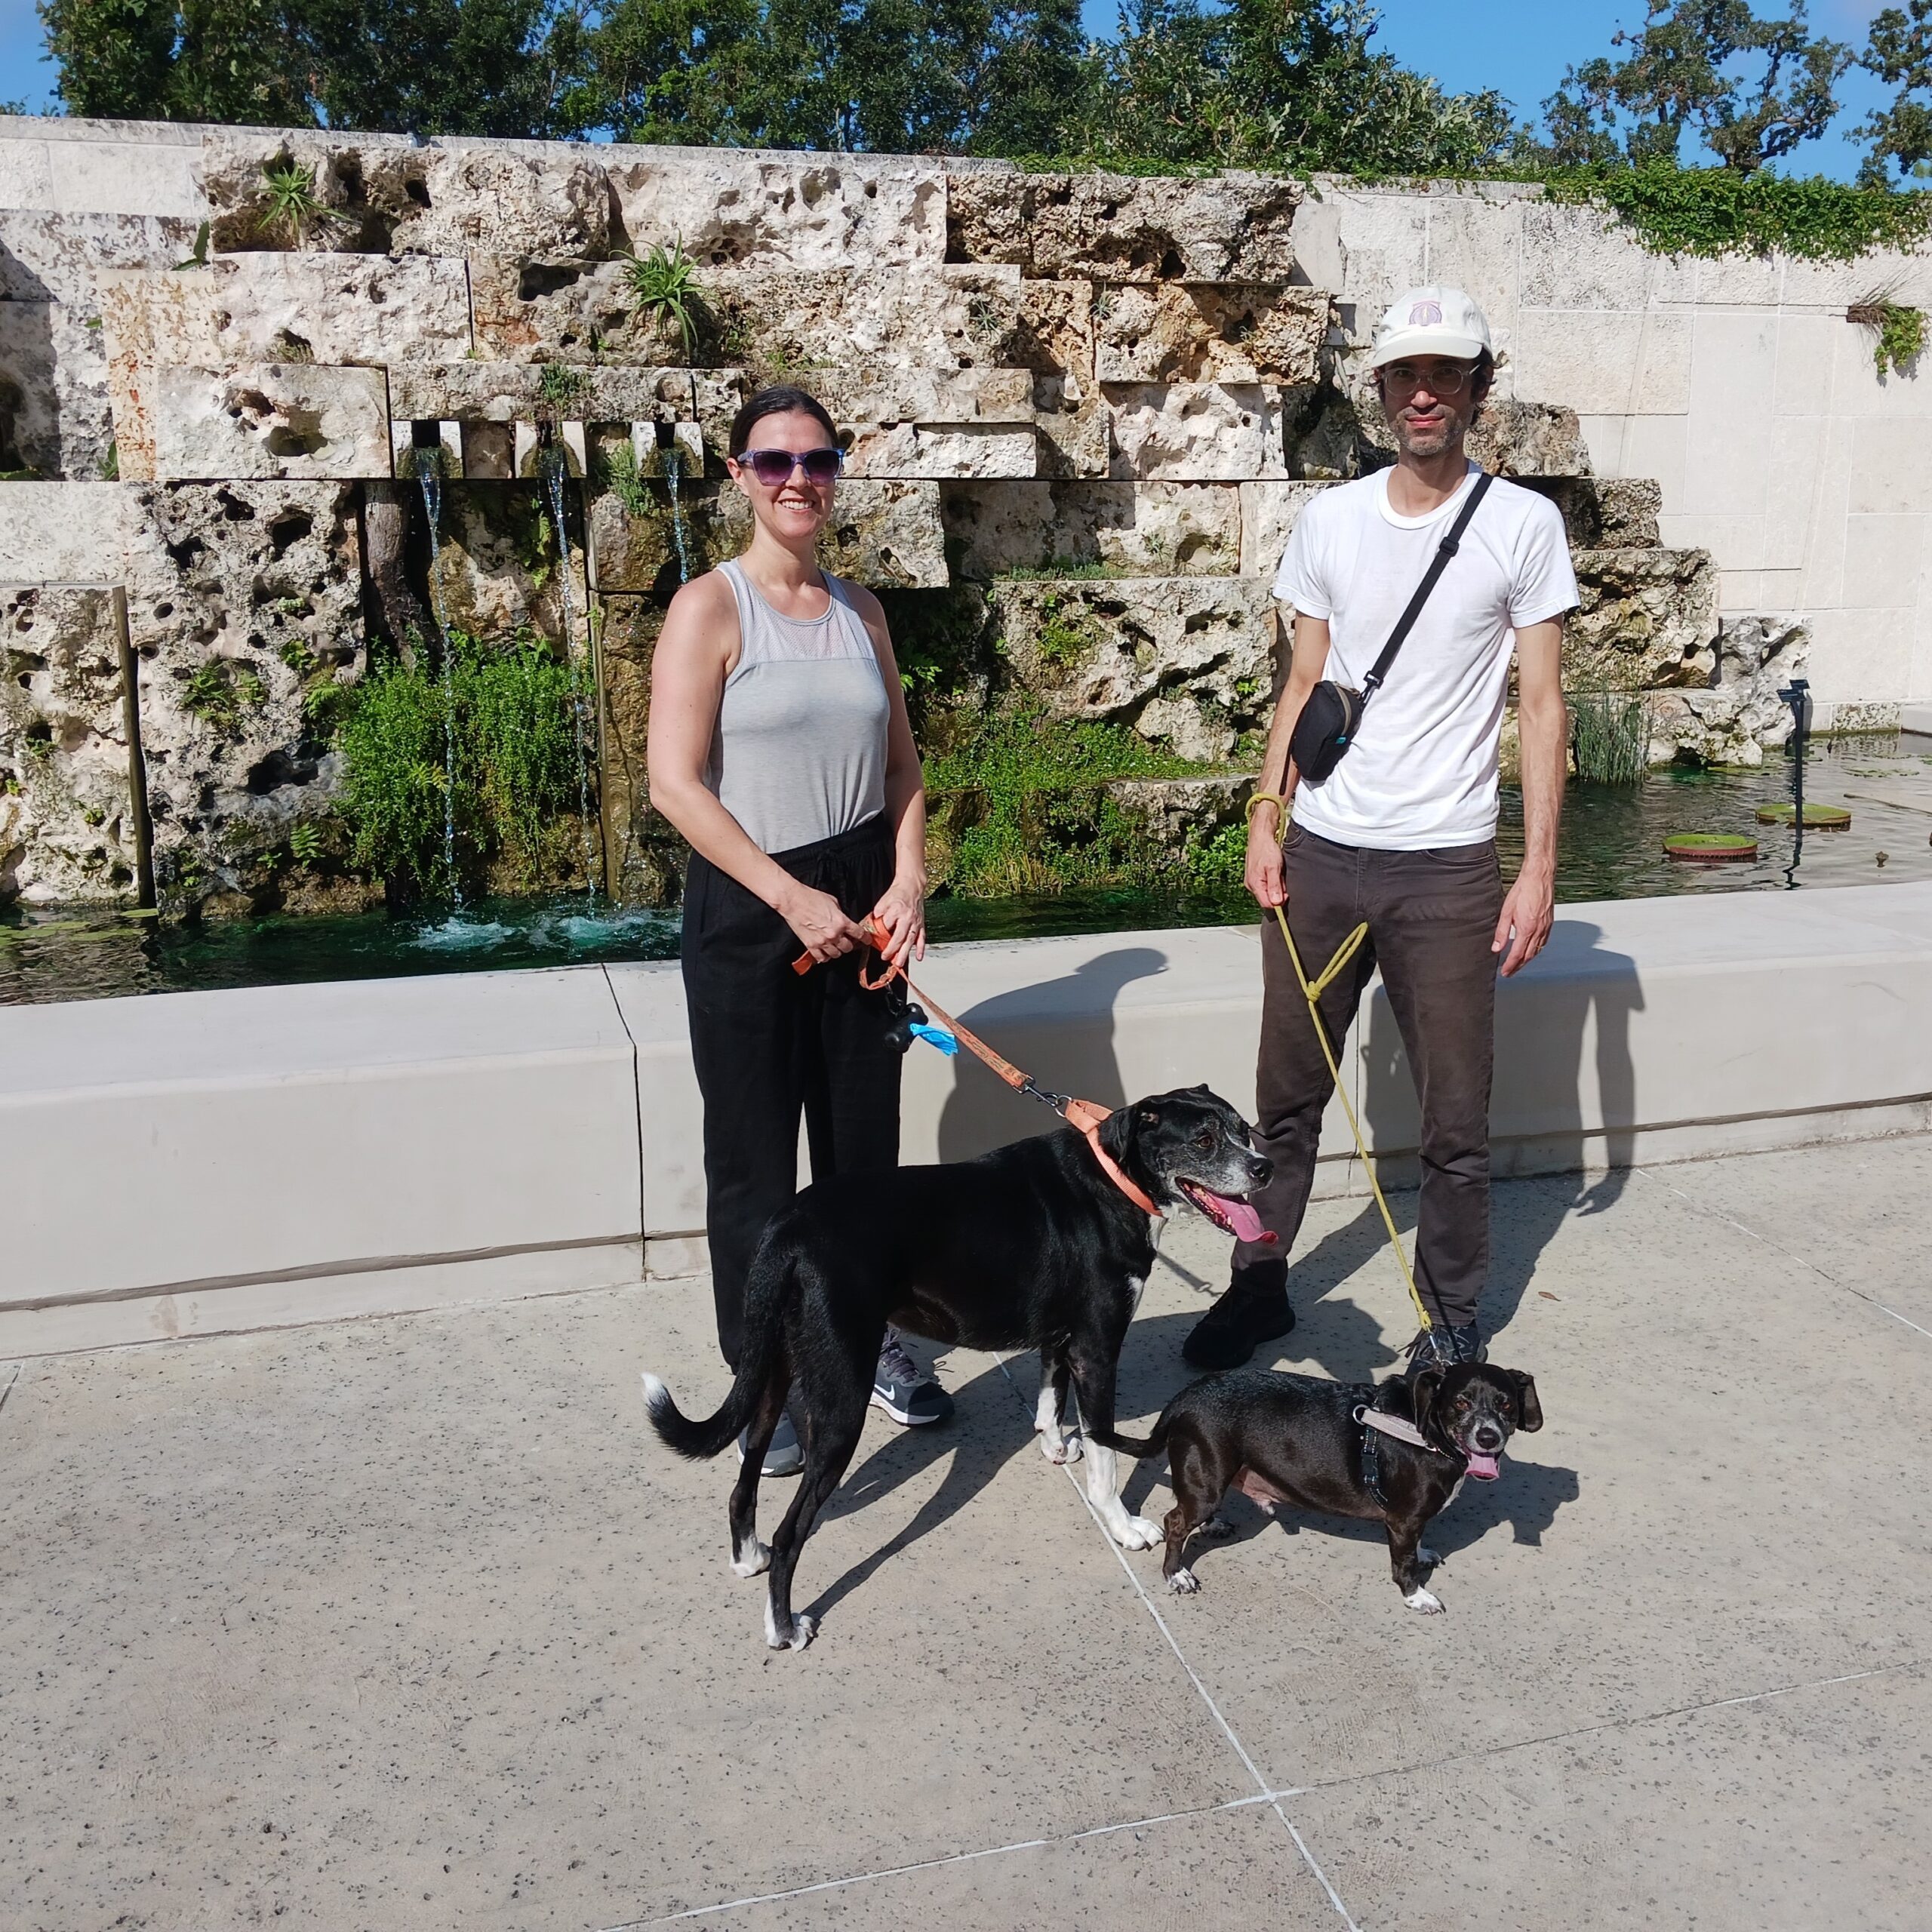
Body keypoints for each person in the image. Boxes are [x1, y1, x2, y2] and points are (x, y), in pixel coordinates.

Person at [1183, 287, 1577, 1375]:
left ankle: (1451, 1321)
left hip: (1448, 869)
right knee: (1284, 1104)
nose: (1424, 394)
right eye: (1406, 374)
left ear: (1478, 388)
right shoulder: (1332, 521)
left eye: (1446, 373)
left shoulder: (1523, 525)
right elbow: (1302, 681)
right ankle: (1260, 1289)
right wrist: (1267, 814)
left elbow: (1543, 708)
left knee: (1454, 1123)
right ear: (1382, 389)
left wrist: (1539, 869)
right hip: (1321, 855)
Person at [648, 385, 952, 1476]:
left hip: (862, 900)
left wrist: (907, 881)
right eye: (774, 462)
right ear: (739, 475)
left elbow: (903, 769)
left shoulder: (863, 613)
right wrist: (788, 898)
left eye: (817, 461)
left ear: (836, 474)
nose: (797, 480)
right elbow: (675, 785)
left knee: (863, 1159)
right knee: (754, 1163)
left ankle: (870, 1342)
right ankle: (764, 1376)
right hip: (753, 905)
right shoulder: (711, 608)